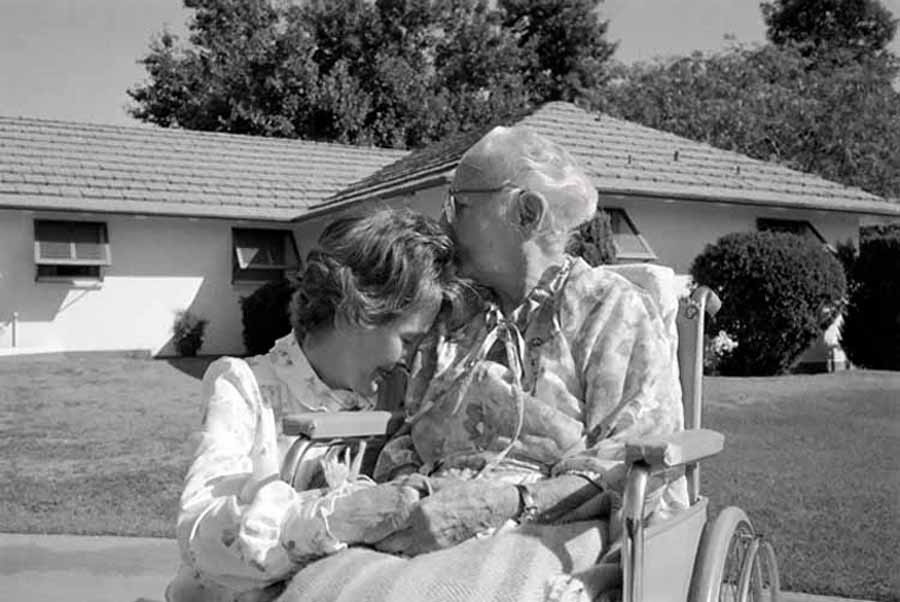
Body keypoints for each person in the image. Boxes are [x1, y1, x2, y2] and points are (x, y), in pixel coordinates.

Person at [278, 126, 689, 602]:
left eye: (460, 206)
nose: (444, 223)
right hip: (427, 518)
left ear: (527, 213)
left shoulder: (609, 310)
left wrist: (499, 504)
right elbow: (411, 429)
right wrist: (405, 489)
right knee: (317, 589)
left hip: (546, 528)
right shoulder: (455, 315)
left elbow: (630, 462)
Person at [166, 209, 468, 602]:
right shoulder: (246, 387)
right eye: (408, 340)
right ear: (358, 310)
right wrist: (338, 518)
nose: (409, 359)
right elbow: (200, 535)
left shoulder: (393, 401)